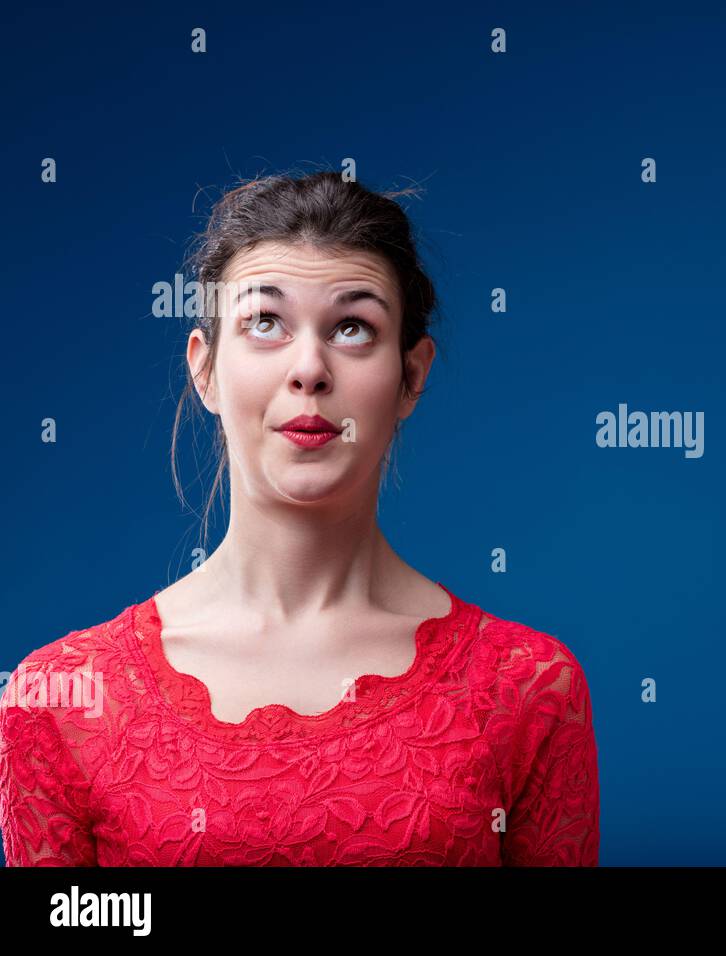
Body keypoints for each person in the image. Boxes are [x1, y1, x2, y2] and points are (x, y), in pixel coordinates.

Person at [0, 172, 599, 866]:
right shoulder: (60, 698)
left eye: (352, 328)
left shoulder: (528, 687)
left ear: (412, 375)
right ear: (206, 371)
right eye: (264, 323)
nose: (309, 368)